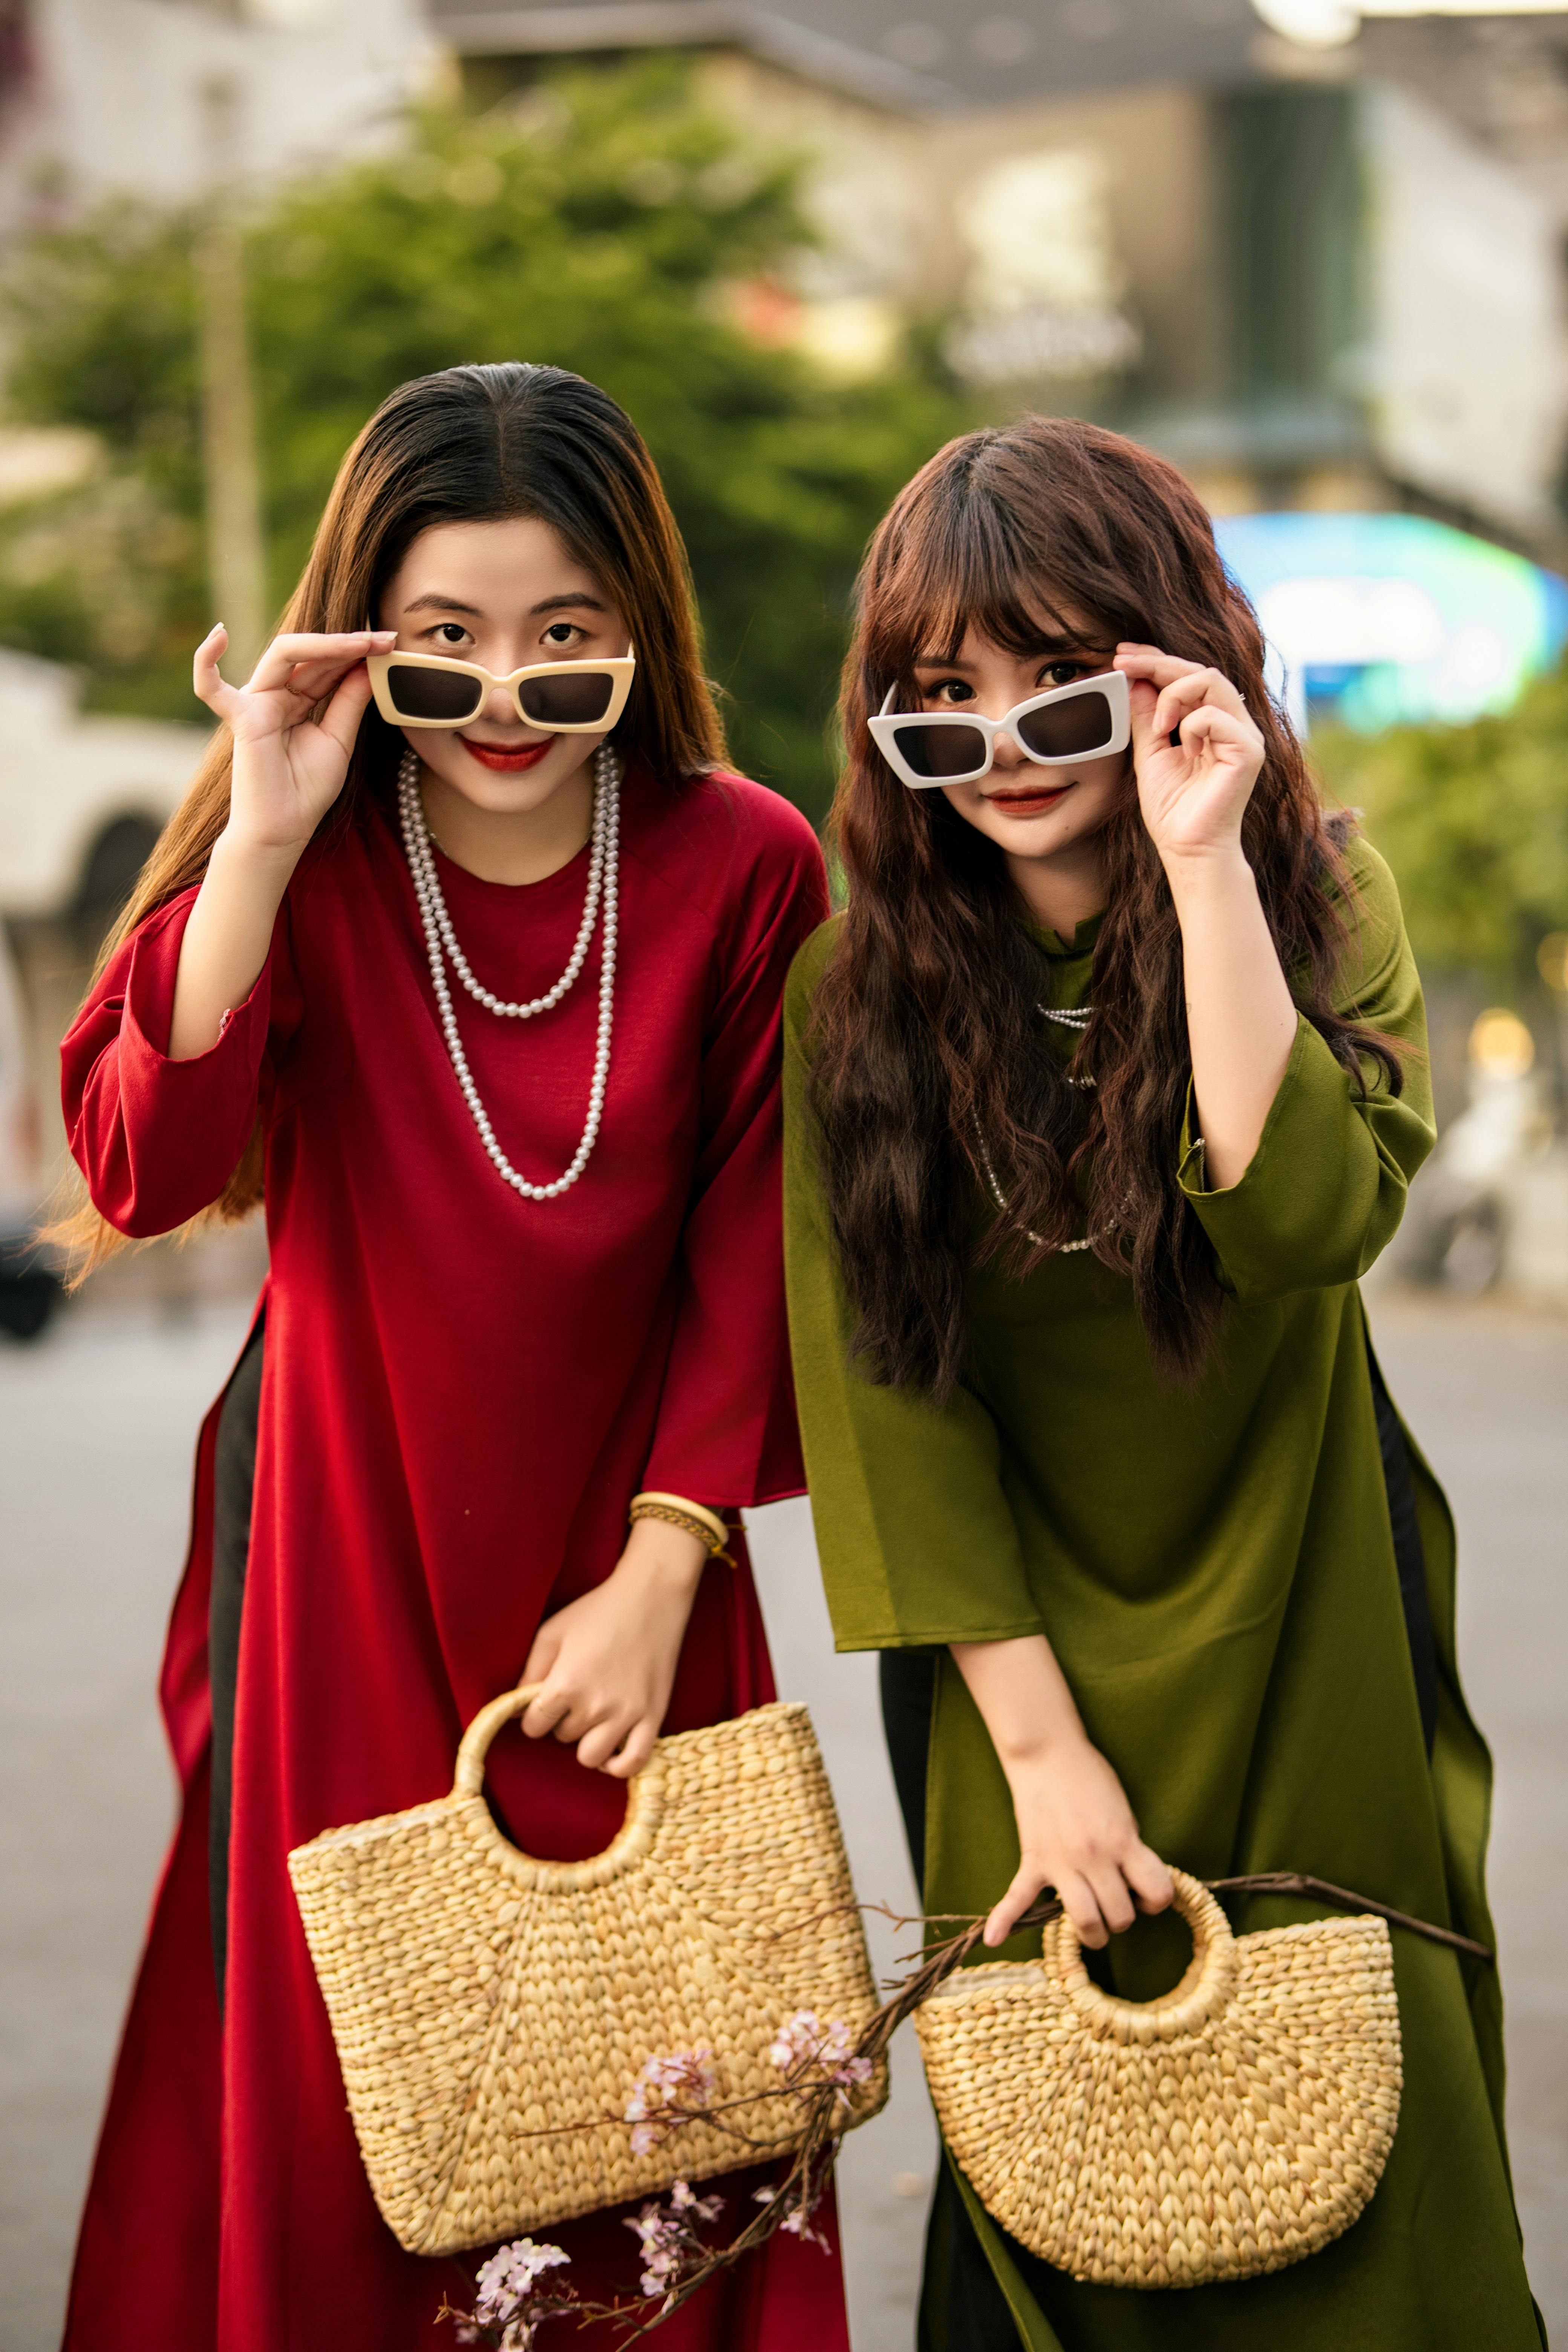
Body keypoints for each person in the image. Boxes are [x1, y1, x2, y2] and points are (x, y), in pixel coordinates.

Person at [57, 361, 841, 2352]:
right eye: (448, 643)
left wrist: (668, 1573)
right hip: (336, 1561)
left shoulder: (745, 865)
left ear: (639, 631)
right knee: (352, 2126)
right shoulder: (315, 862)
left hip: (638, 1578)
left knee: (666, 2130)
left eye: (565, 640)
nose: (508, 694)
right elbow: (146, 1170)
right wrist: (257, 829)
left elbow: (766, 1248)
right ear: (368, 641)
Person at [781, 418, 1543, 2350]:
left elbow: (1296, 1229)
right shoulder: (851, 996)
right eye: (938, 702)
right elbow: (888, 1406)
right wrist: (1039, 1760)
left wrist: (1207, 867)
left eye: (1060, 683)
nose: (1005, 748)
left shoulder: (1320, 903)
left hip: (1305, 1609)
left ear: (1172, 654)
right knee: (1064, 2163)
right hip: (1011, 1663)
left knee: (1369, 2144)